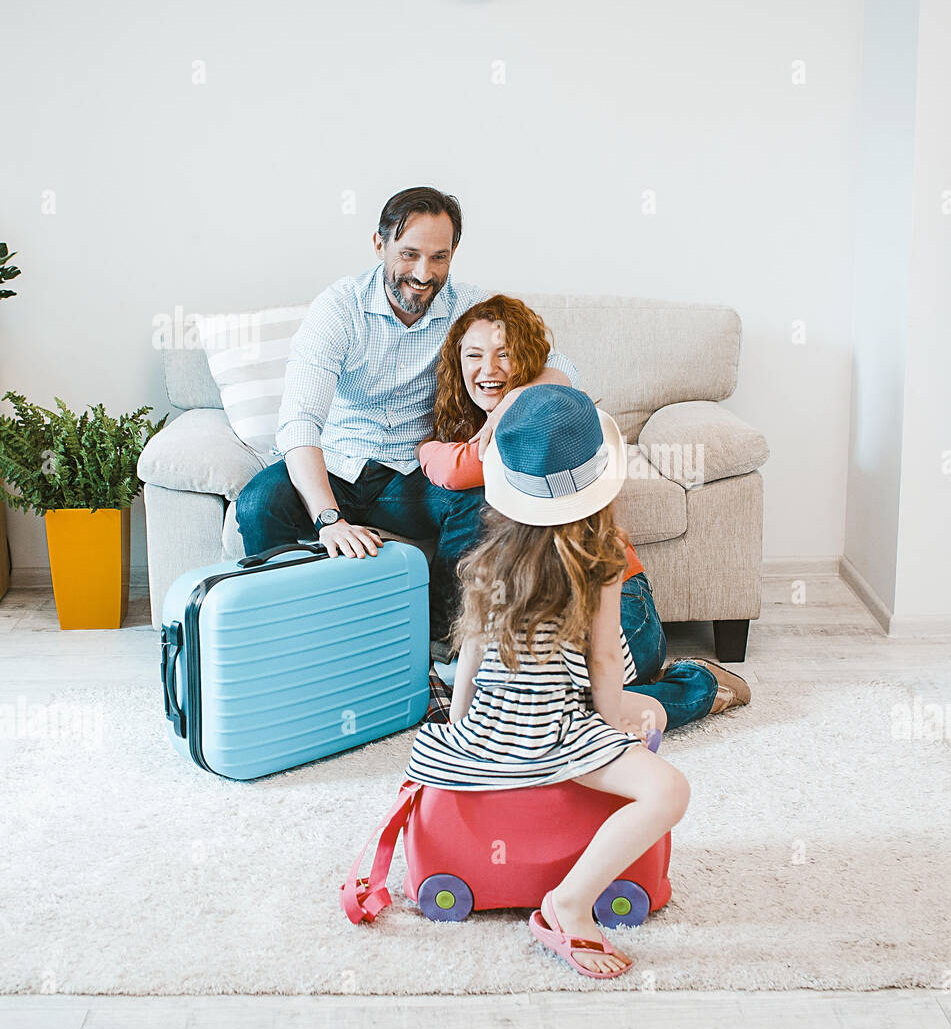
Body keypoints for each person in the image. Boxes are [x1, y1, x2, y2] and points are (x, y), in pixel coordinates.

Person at [405, 384, 690, 978]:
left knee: (647, 718)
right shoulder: (601, 557)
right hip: (555, 732)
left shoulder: (488, 556)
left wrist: (461, 733)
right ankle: (569, 901)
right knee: (669, 787)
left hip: (489, 730)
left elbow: (470, 661)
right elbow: (607, 670)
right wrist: (629, 725)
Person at [234, 187, 579, 642]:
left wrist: (512, 403)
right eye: (409, 253)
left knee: (484, 503)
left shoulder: (470, 308)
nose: (422, 273)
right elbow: (299, 423)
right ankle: (285, 635)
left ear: (454, 253)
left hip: (414, 474)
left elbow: (565, 370)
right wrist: (329, 519)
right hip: (338, 463)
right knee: (259, 503)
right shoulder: (339, 309)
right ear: (379, 244)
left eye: (438, 257)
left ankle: (435, 639)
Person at [417, 294, 751, 727]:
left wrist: (428, 448)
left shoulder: (557, 424)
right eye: (474, 355)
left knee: (574, 708)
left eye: (505, 355)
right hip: (545, 617)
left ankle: (700, 687)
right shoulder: (466, 424)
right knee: (528, 703)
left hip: (620, 610)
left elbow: (454, 468)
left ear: (529, 362)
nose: (488, 369)